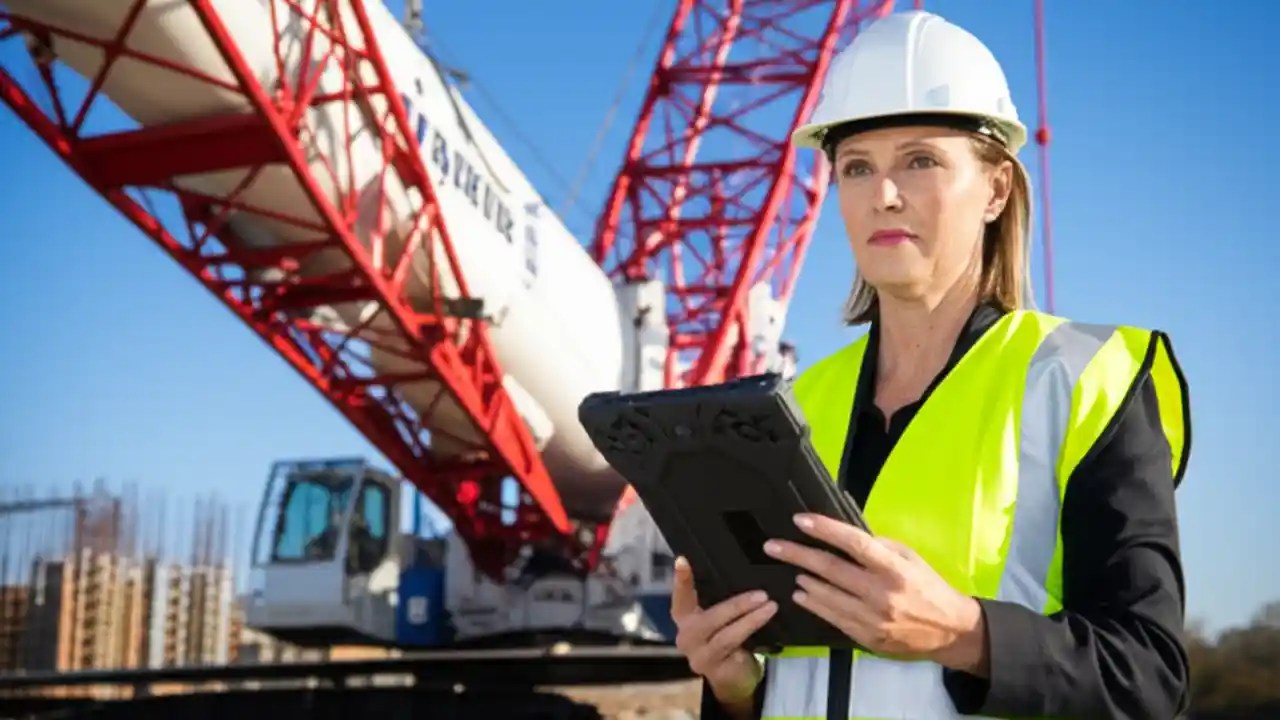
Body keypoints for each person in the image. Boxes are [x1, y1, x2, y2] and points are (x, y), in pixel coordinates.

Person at [672, 9, 1192, 720]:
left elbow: (1148, 679)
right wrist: (733, 690)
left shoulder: (1085, 380)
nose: (883, 193)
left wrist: (963, 635)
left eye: (920, 160)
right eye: (857, 167)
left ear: (997, 190)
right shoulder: (792, 408)